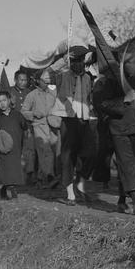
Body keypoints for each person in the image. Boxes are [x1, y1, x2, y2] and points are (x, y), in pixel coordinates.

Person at [94, 55, 135, 214]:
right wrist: (125, 100)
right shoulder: (110, 82)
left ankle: (121, 201)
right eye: (134, 63)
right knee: (128, 164)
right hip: (120, 130)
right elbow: (103, 104)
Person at [54, 46, 96, 205]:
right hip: (68, 120)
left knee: (91, 153)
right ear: (70, 62)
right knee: (67, 158)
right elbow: (44, 76)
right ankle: (70, 194)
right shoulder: (62, 76)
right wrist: (62, 61)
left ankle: (80, 181)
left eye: (81, 61)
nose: (78, 65)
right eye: (75, 61)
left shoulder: (88, 78)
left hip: (84, 120)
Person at [21, 69, 60, 189]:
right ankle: (50, 176)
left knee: (53, 152)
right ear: (38, 80)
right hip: (39, 125)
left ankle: (42, 179)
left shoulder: (53, 93)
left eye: (48, 80)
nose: (47, 83)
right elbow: (24, 111)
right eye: (45, 80)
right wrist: (33, 114)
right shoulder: (31, 95)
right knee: (45, 151)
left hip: (53, 126)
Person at [0, 90, 28, 200]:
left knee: (15, 168)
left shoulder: (17, 115)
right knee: (6, 168)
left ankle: (4, 187)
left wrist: (25, 141)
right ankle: (12, 190)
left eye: (4, 100)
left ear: (9, 100)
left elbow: (25, 127)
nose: (2, 103)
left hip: (17, 145)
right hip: (4, 148)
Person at [10, 70, 36, 186]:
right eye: (21, 80)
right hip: (14, 127)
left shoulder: (30, 93)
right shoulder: (9, 92)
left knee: (29, 151)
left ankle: (29, 174)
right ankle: (14, 176)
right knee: (15, 151)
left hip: (27, 126)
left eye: (25, 80)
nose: (23, 82)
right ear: (15, 80)